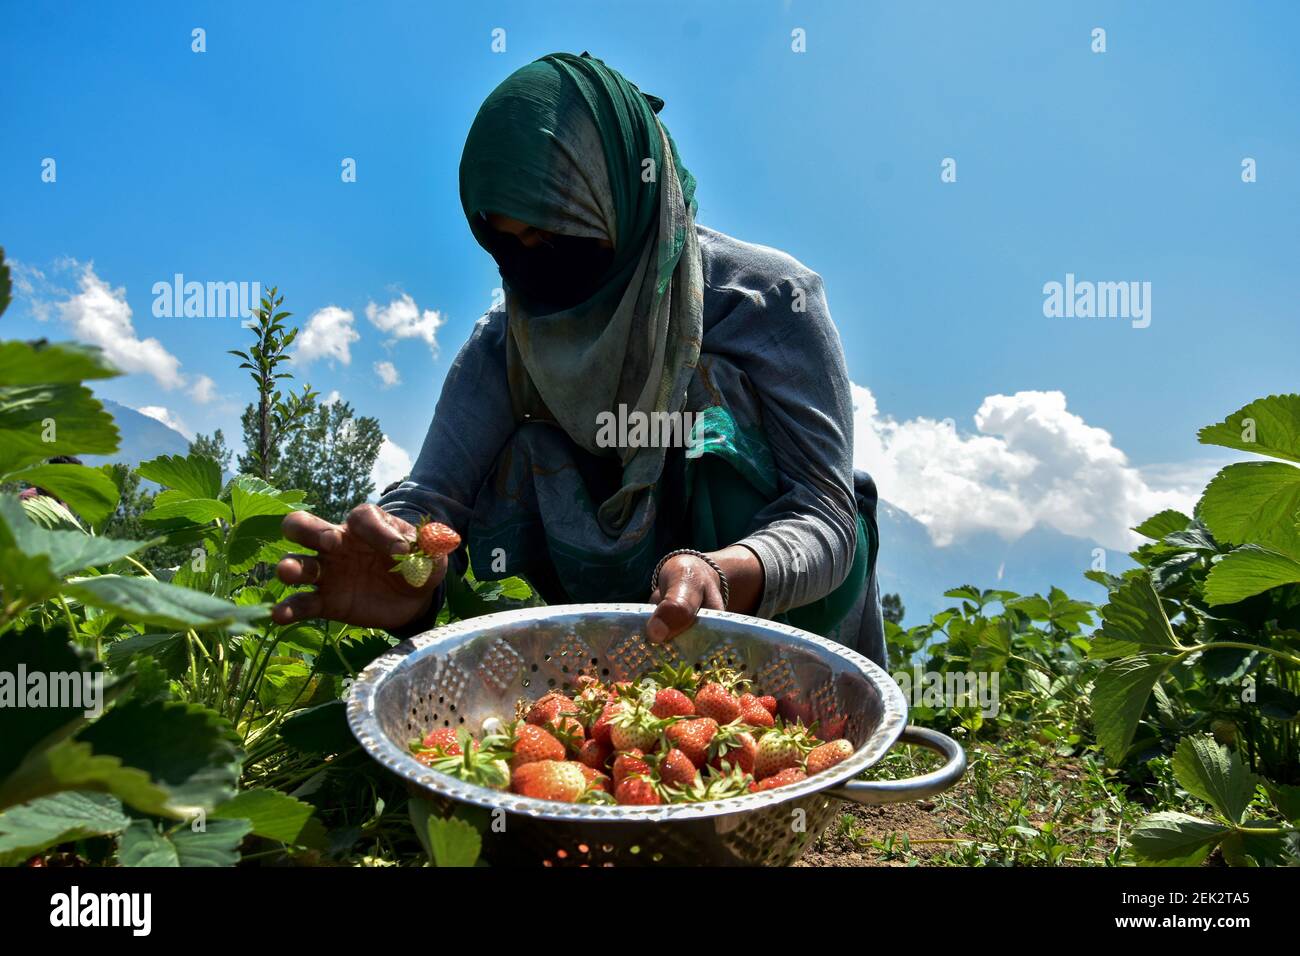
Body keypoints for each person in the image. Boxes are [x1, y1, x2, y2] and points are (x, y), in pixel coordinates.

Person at [272, 52, 884, 664]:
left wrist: (723, 572)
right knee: (515, 450)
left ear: (625, 198)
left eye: (553, 236)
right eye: (508, 243)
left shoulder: (767, 301)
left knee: (711, 395)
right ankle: (561, 678)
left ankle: (777, 688)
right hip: (587, 637)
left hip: (767, 612)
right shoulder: (505, 343)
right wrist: (405, 567)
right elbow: (434, 498)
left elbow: (822, 510)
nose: (534, 264)